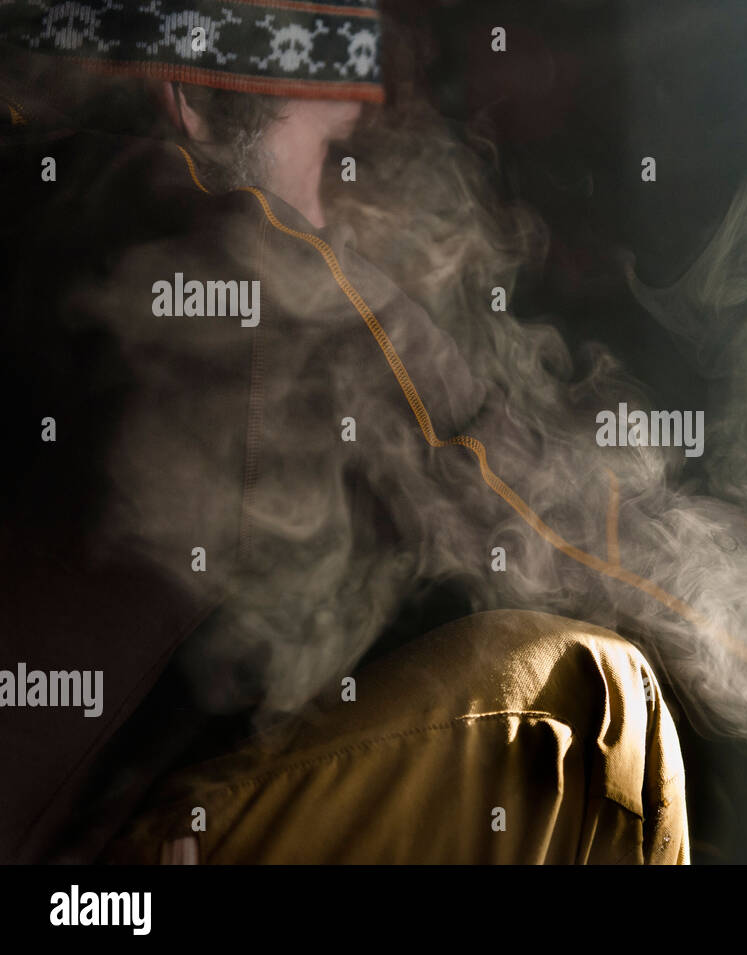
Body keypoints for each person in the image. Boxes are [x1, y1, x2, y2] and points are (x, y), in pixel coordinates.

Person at [0, 0, 688, 864]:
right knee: (582, 701)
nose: (322, 214)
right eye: (329, 153)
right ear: (195, 96)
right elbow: (537, 512)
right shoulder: (233, 265)